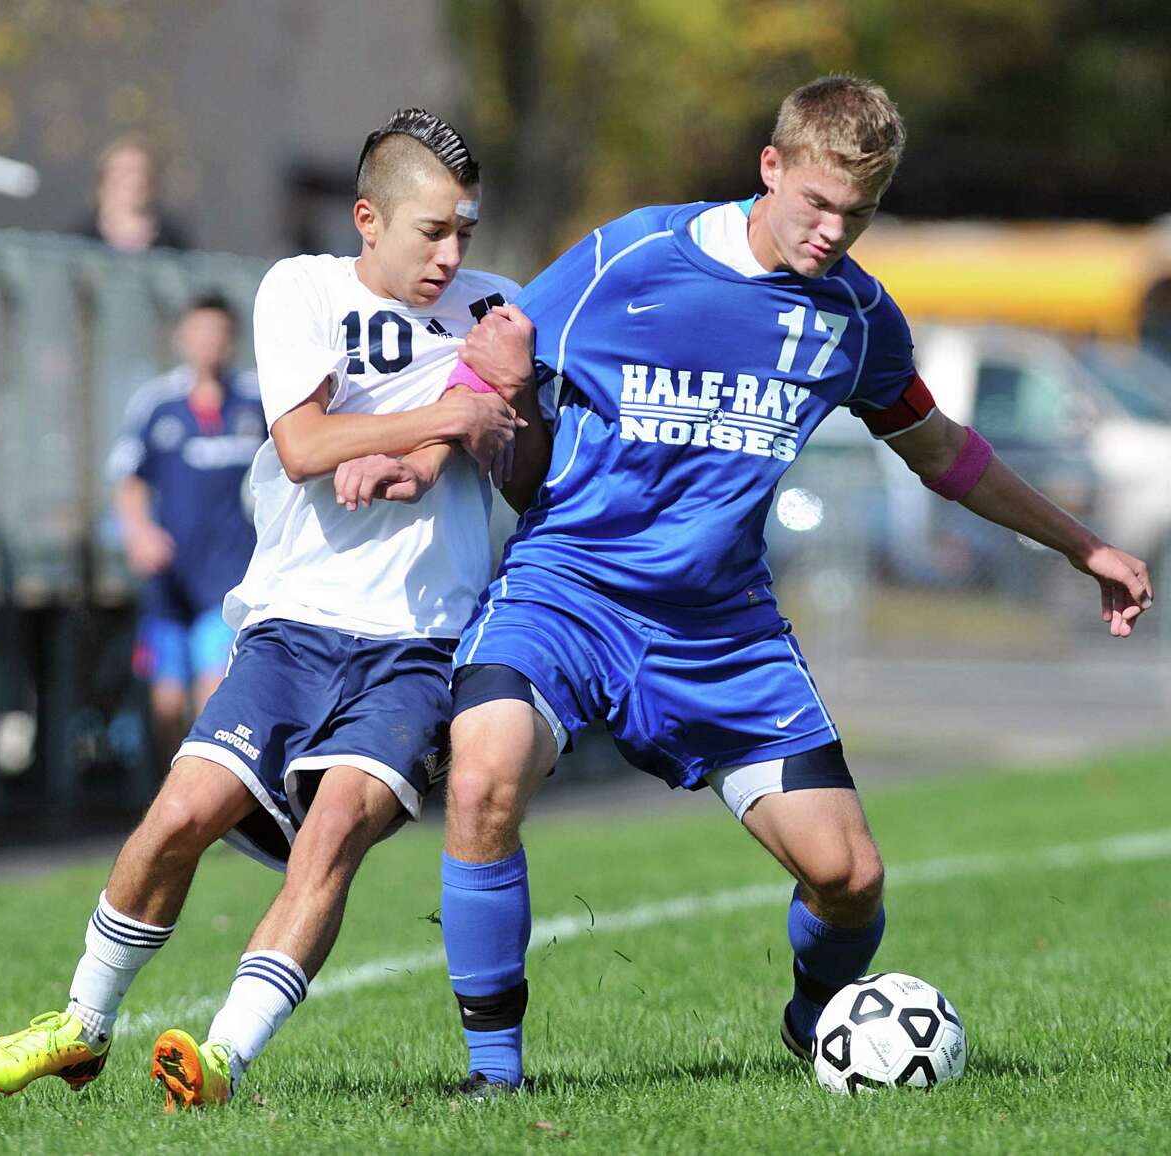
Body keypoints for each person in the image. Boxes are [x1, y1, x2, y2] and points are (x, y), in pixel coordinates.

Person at [427, 75, 1154, 1094]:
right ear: (770, 168)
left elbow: (939, 447)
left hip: (720, 632)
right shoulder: (629, 255)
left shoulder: (855, 315)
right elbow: (484, 367)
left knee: (850, 878)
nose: (831, 232)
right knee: (483, 767)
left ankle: (820, 1020)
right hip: (570, 594)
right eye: (817, 205)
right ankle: (492, 1076)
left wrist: (1082, 546)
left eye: (857, 215)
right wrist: (427, 448)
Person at [0, 108, 547, 1108]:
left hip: (421, 640)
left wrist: (512, 401)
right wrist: (446, 414)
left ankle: (220, 1057)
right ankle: (82, 1022)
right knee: (179, 814)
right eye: (432, 232)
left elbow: (531, 483)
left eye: (466, 231)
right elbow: (302, 445)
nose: (453, 256)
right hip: (291, 622)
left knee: (332, 835)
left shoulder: (498, 309)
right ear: (368, 219)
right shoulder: (301, 289)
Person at [109, 294, 266, 773]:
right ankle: (167, 790)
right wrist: (138, 533)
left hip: (229, 575)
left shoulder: (256, 401)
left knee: (212, 689)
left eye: (218, 333)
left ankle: (208, 801)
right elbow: (129, 479)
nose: (208, 343)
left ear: (232, 340)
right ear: (182, 337)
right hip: (170, 578)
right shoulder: (159, 405)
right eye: (199, 332)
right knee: (165, 702)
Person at [75, 135, 191, 252]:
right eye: (122, 172)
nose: (133, 180)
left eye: (140, 172)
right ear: (103, 181)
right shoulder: (80, 239)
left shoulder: (173, 240)